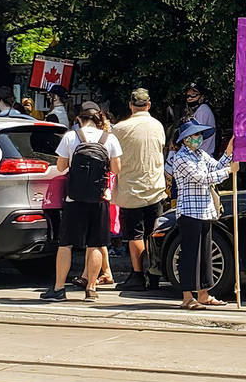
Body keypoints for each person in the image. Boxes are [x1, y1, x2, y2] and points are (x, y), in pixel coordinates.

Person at [41, 103, 122, 302]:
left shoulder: (71, 136)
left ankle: (59, 288)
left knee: (66, 244)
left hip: (74, 198)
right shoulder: (109, 138)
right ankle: (91, 288)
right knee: (95, 244)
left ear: (79, 118)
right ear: (99, 118)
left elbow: (61, 167)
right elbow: (117, 169)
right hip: (100, 198)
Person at [167, 120, 236, 309]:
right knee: (190, 255)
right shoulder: (181, 158)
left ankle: (204, 294)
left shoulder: (200, 154)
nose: (198, 139)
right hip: (189, 212)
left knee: (205, 254)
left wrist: (228, 153)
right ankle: (187, 296)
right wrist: (228, 171)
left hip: (205, 211)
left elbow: (215, 167)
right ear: (186, 139)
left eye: (199, 135)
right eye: (195, 136)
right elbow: (202, 179)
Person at [112, 88, 167, 291]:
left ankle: (137, 275)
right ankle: (153, 274)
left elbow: (113, 158)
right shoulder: (158, 126)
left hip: (130, 189)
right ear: (149, 105)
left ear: (130, 105)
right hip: (154, 186)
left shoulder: (119, 129)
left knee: (134, 235)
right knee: (153, 233)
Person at [182, 83, 216, 156]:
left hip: (203, 155)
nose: (189, 98)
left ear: (202, 97)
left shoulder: (203, 110)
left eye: (193, 95)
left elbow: (195, 133)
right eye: (188, 95)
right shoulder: (196, 110)